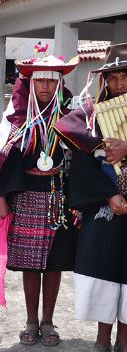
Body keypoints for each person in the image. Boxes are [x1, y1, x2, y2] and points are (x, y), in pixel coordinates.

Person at [0, 54, 79, 346]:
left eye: (52, 79)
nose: (46, 86)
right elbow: (2, 159)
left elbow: (82, 158)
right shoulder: (17, 118)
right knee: (29, 264)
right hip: (25, 198)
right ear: (31, 82)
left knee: (54, 263)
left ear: (60, 82)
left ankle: (48, 321)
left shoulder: (71, 116)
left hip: (59, 198)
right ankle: (31, 320)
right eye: (40, 80)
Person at [54, 43, 127, 352]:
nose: (120, 85)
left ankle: (124, 339)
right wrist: (110, 194)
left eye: (125, 77)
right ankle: (102, 338)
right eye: (113, 78)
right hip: (105, 207)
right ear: (104, 82)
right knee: (104, 270)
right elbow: (83, 163)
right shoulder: (90, 118)